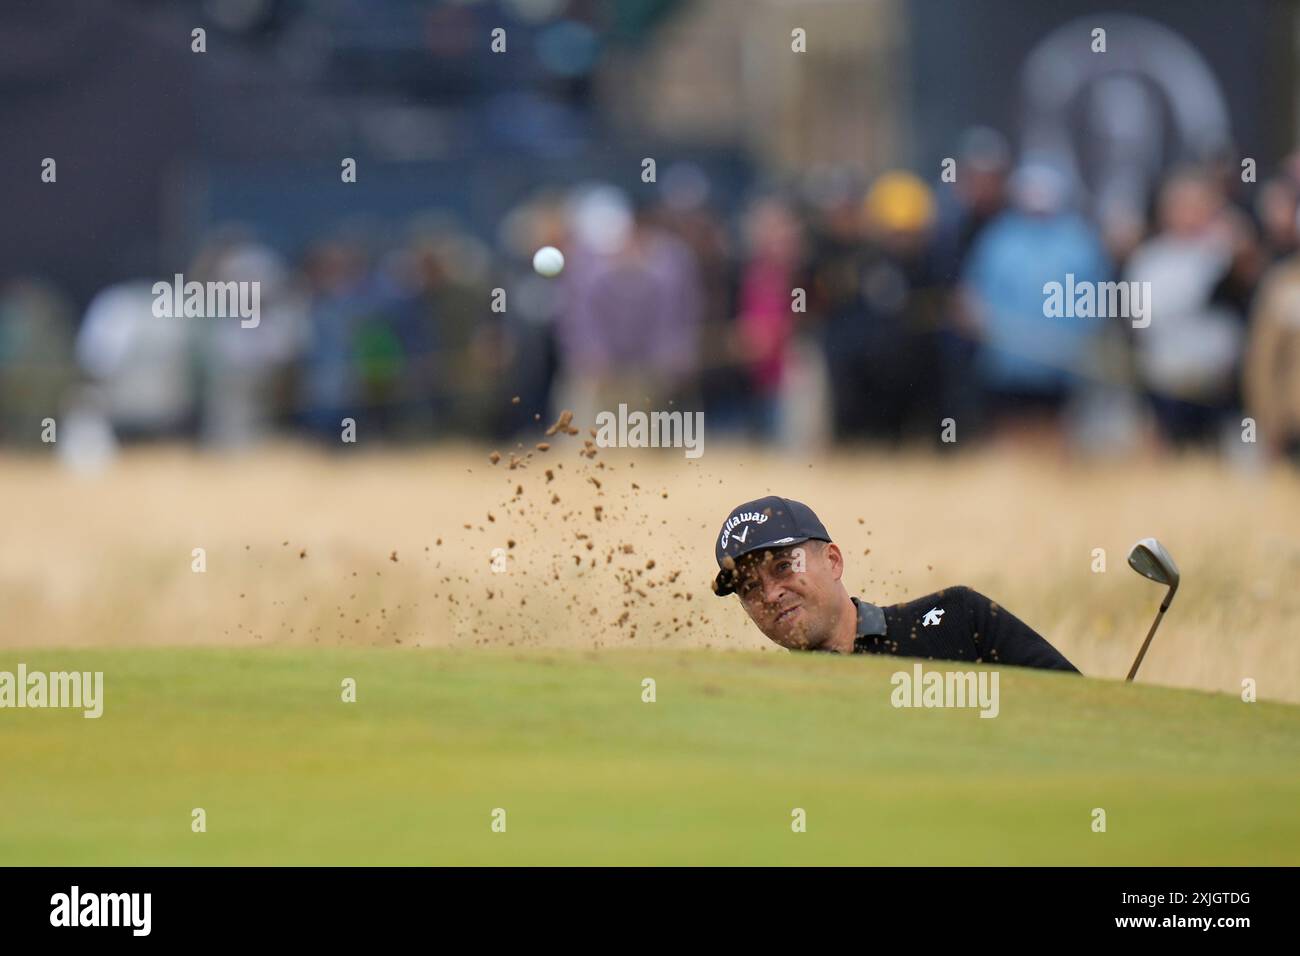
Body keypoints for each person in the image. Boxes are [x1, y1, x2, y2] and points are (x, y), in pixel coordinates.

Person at [710, 496, 1080, 672]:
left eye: (783, 567)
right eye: (750, 589)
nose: (771, 594)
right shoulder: (776, 703)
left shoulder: (958, 620)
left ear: (833, 562)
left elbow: (1077, 705)